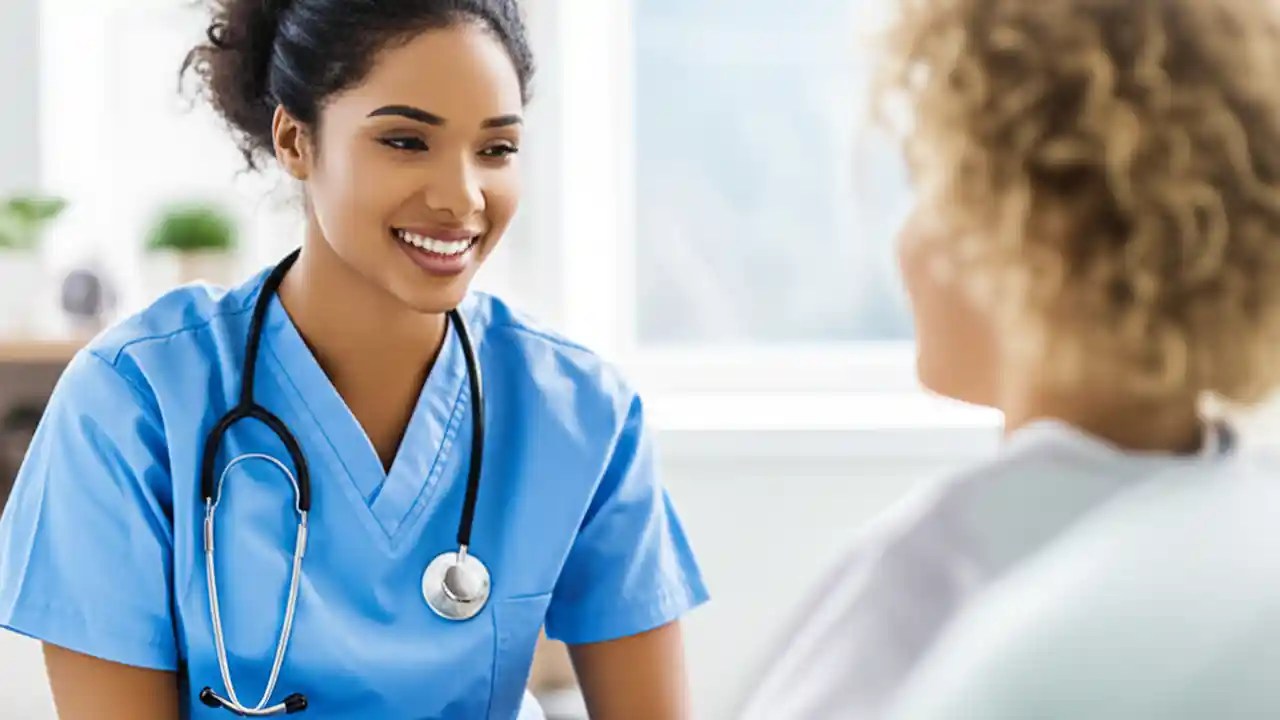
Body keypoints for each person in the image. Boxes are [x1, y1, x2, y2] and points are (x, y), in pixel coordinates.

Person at [0, 1, 708, 718]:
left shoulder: (579, 411)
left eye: (495, 150)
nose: (461, 197)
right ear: (295, 140)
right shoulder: (134, 400)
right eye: (405, 141)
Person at [739, 0, 1280, 717]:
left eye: (929, 183)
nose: (906, 237)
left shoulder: (922, 589)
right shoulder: (1244, 542)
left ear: (1025, 229)